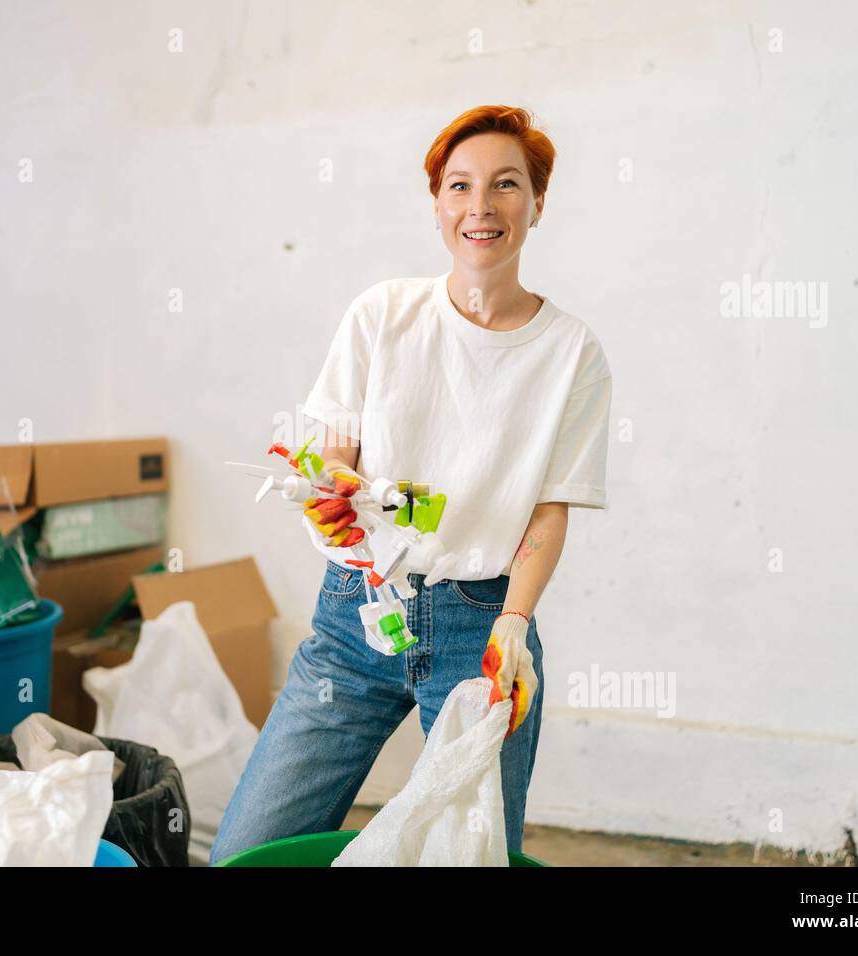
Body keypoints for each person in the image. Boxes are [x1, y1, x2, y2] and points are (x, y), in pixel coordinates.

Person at [210, 104, 613, 863]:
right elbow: (332, 460)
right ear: (437, 205)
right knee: (244, 850)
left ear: (536, 202)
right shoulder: (382, 315)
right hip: (355, 614)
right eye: (459, 186)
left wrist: (515, 625)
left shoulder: (571, 353)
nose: (480, 207)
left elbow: (548, 510)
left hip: (480, 628)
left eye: (505, 184)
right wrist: (329, 499)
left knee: (467, 856)